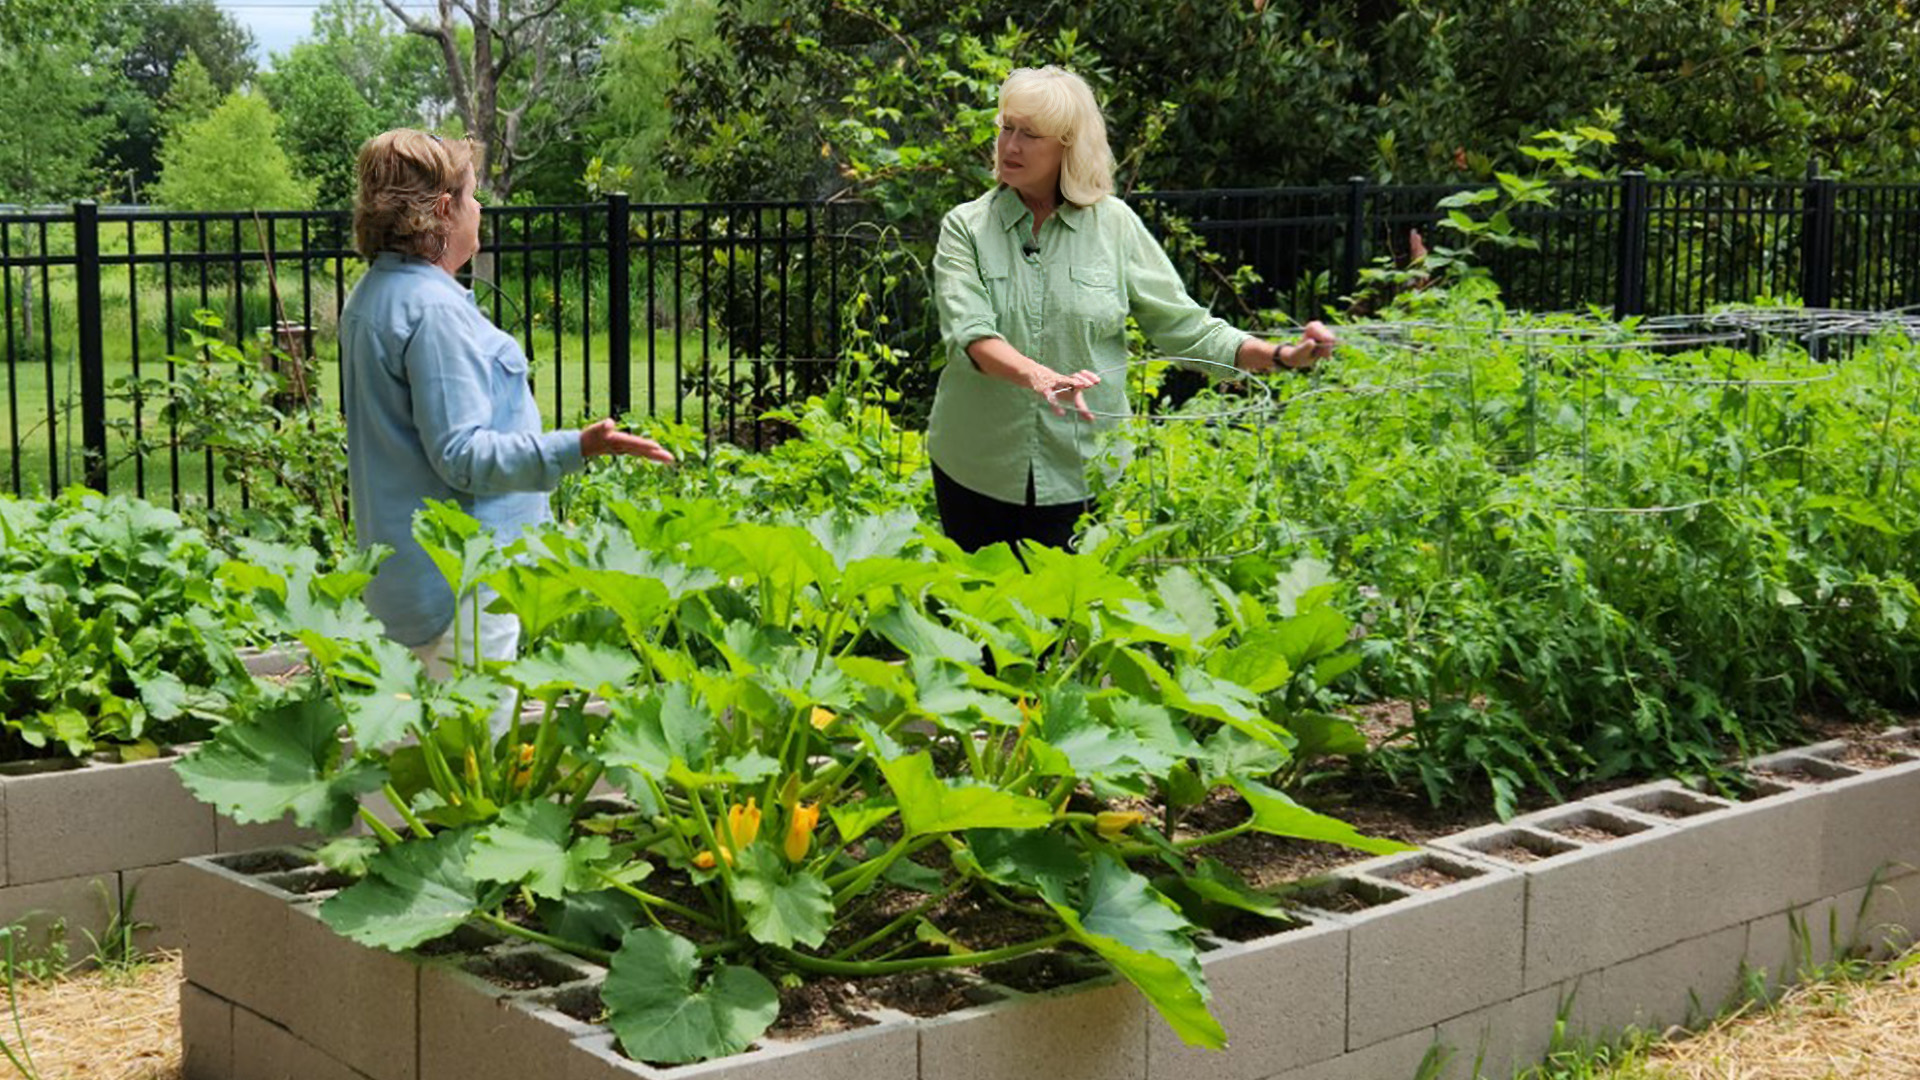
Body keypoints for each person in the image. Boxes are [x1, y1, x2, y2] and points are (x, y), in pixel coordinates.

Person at [929, 66, 1336, 553]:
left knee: (1067, 618)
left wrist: (1281, 355)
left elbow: (1185, 328)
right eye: (1006, 128)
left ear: (1067, 146)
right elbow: (971, 334)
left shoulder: (1115, 227)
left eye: (1029, 134)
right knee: (983, 614)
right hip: (977, 465)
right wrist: (1040, 376)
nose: (1010, 146)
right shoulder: (966, 228)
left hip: (1082, 470)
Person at [339, 129, 674, 685]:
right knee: (475, 762)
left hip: (404, 583)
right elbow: (462, 456)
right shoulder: (433, 311)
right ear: (444, 211)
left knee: (420, 757)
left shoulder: (372, 297)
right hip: (462, 589)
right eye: (473, 196)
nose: (480, 210)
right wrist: (579, 446)